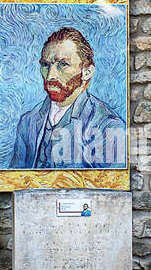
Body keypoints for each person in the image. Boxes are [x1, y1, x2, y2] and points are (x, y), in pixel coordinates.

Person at [10, 27, 125, 170]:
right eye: (46, 65)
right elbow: (16, 178)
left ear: (87, 72)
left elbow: (111, 185)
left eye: (62, 65)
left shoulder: (107, 126)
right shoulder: (28, 122)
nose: (51, 76)